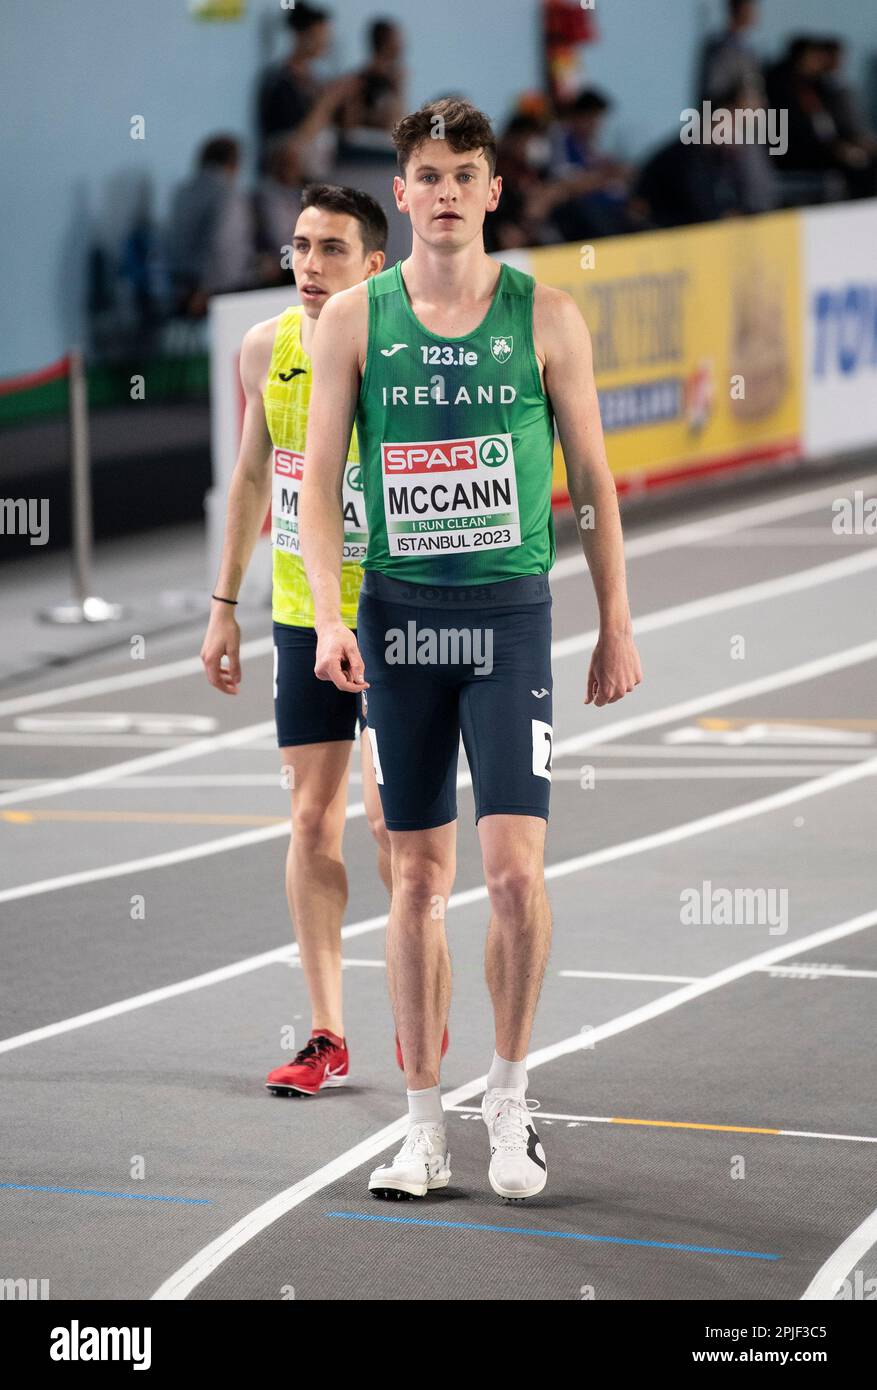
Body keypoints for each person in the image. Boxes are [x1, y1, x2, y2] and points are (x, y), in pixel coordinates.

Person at [299, 98, 642, 1199]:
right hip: (398, 622)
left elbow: (592, 484)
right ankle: (418, 1123)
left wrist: (616, 621)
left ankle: (507, 1094)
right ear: (398, 194)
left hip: (505, 619)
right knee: (411, 882)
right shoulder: (353, 319)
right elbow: (314, 490)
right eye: (426, 176)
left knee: (508, 875)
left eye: (464, 175)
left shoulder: (546, 316)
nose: (444, 193)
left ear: (495, 191)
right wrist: (333, 616)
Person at [201, 184, 447, 1097]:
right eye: (299, 247)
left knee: (395, 826)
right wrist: (224, 605)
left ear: (375, 265)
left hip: (392, 613)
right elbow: (251, 482)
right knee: (311, 820)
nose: (309, 267)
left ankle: (422, 1011)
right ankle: (325, 1035)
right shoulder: (265, 348)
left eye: (332, 250)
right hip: (305, 617)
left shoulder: (407, 354)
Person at [257, 3, 359, 177]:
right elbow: (293, 142)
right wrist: (327, 102)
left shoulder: (316, 82)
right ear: (300, 35)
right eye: (319, 36)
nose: (324, 43)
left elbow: (346, 130)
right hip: (289, 181)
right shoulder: (281, 82)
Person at [166, 135, 256, 316]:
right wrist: (203, 290)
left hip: (180, 285)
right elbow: (221, 245)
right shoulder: (228, 194)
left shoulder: (182, 192)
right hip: (217, 292)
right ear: (234, 162)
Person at [697, 0, 764, 105]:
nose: (753, 13)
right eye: (749, 8)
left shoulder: (748, 51)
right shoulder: (721, 49)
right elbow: (713, 91)